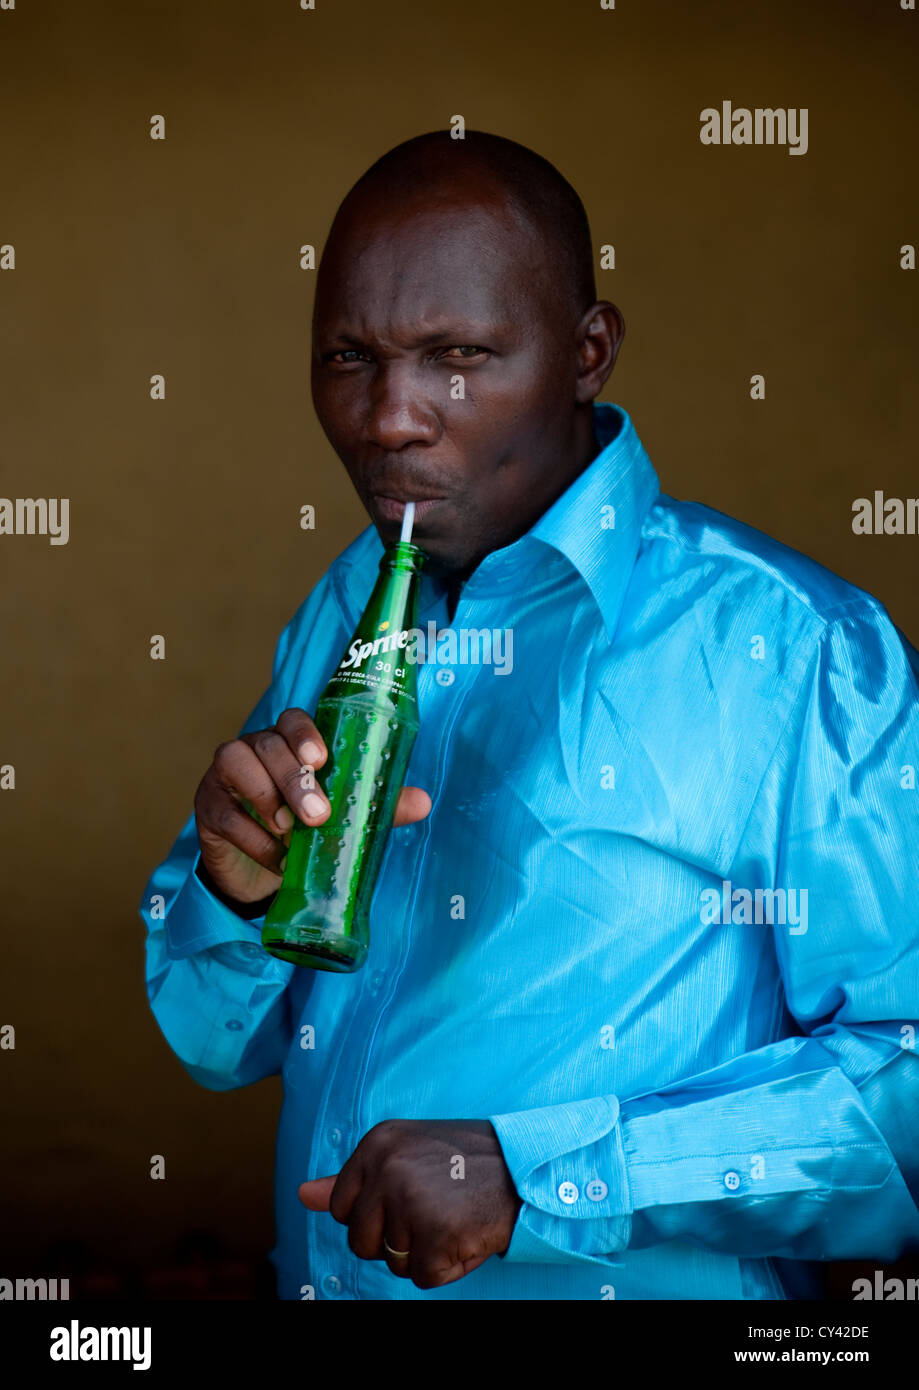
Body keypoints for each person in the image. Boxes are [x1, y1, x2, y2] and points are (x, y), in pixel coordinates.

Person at [140, 129, 919, 1301]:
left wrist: (541, 1174)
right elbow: (213, 1042)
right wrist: (235, 894)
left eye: (457, 355)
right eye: (348, 356)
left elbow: (903, 1089)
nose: (388, 418)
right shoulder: (348, 605)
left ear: (587, 352)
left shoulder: (794, 652)